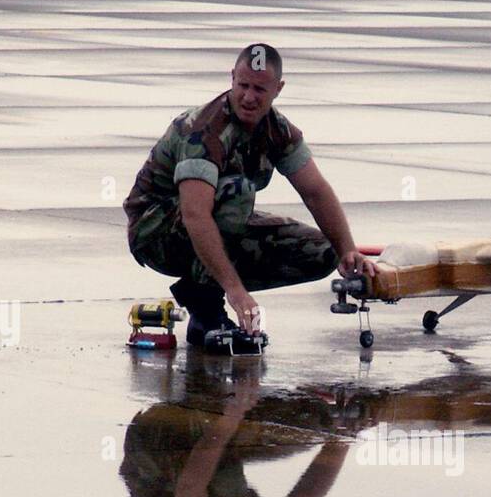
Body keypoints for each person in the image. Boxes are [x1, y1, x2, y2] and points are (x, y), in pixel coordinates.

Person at [123, 41, 373, 349]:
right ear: (231, 79)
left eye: (260, 89)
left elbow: (315, 191)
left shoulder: (277, 129)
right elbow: (195, 214)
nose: (249, 97)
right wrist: (234, 290)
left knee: (322, 251)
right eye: (243, 85)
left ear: (278, 89)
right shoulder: (205, 132)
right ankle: (206, 309)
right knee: (238, 190)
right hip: (156, 232)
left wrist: (348, 251)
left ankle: (202, 288)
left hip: (213, 220)